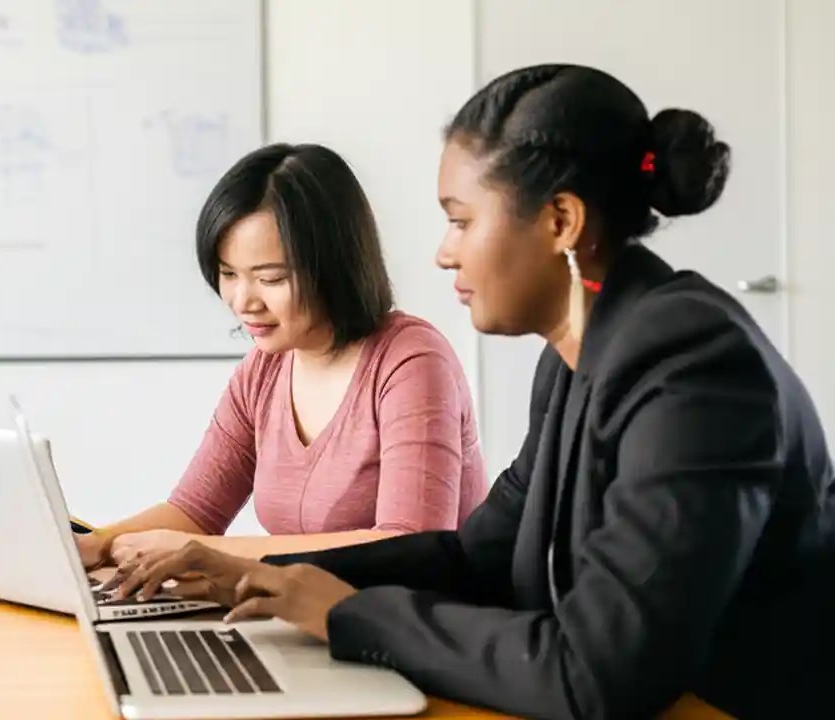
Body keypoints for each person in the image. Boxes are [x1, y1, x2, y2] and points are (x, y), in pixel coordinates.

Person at [111, 65, 833, 718]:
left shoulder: (694, 368)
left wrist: (345, 615)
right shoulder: (580, 352)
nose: (443, 250)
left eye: (460, 220)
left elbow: (597, 672)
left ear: (560, 222)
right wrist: (263, 575)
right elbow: (478, 553)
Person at [77, 143, 486, 567]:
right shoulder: (265, 369)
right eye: (229, 274)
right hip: (319, 618)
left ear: (335, 267)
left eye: (270, 278)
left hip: (426, 625)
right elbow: (195, 513)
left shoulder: (412, 363)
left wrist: (208, 555)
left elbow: (410, 548)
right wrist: (97, 545)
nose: (243, 301)